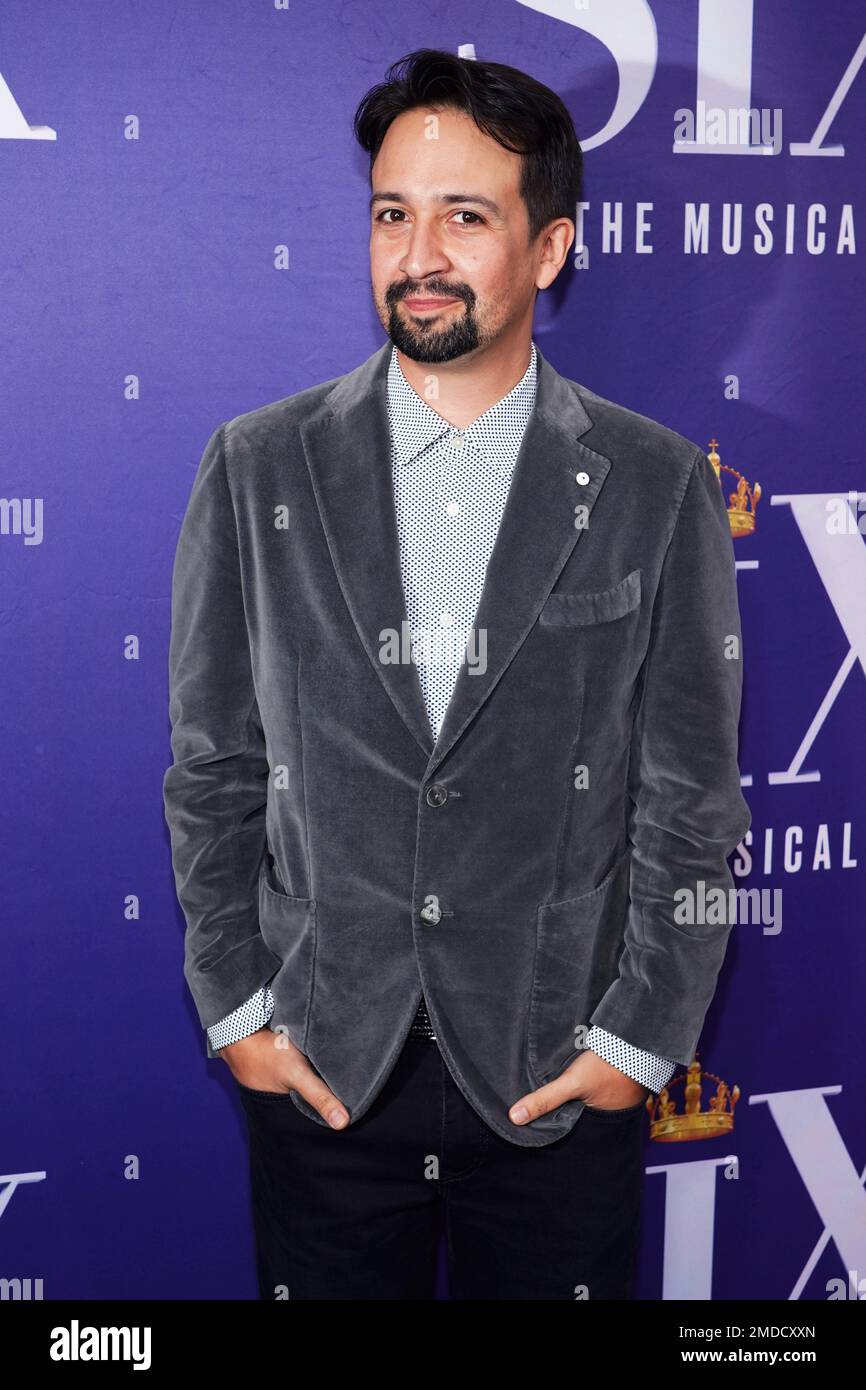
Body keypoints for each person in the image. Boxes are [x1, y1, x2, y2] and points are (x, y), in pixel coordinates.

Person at [162, 48, 751, 1300]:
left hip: (553, 1082)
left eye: (464, 216)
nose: (417, 253)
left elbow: (689, 794)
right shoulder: (256, 467)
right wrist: (235, 1012)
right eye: (393, 213)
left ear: (547, 251)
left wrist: (638, 1038)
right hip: (324, 1076)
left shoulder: (655, 484)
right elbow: (212, 767)